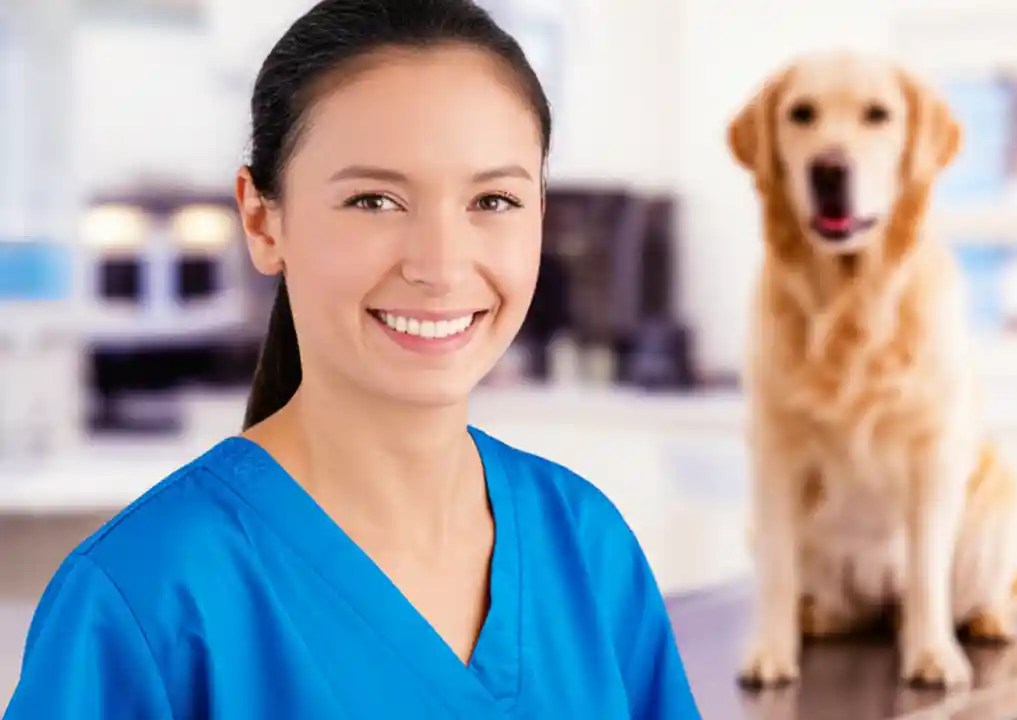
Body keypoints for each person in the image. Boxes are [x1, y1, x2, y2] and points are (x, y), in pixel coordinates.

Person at [3, 1, 701, 717]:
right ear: (261, 220)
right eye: (374, 200)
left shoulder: (585, 545)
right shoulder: (144, 598)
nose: (440, 265)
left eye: (493, 200)